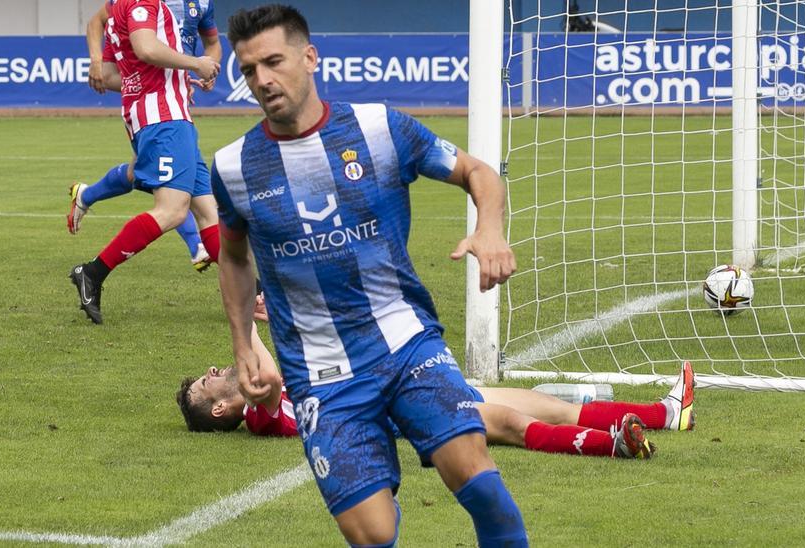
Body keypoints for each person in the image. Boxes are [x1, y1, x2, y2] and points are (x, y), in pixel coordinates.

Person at [213, 5, 524, 545]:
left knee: (479, 482)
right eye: (248, 71)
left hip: (404, 342)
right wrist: (243, 344)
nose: (262, 80)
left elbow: (477, 172)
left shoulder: (381, 128)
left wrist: (490, 229)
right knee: (372, 536)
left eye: (273, 62)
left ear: (309, 58)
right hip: (321, 373)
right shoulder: (233, 167)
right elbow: (234, 256)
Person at [177, 329, 696, 460]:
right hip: (404, 411)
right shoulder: (261, 417)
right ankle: (617, 445)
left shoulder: (277, 394)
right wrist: (244, 314)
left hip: (404, 382)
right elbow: (262, 371)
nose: (211, 370)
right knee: (508, 423)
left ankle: (666, 413)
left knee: (544, 402)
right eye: (207, 383)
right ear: (221, 409)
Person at [69, 0, 223, 324]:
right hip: (163, 118)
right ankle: (93, 272)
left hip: (167, 114)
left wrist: (175, 81)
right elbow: (146, 48)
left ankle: (257, 291)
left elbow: (116, 74)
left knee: (209, 213)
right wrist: (194, 64)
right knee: (172, 210)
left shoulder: (120, 6)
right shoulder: (142, 1)